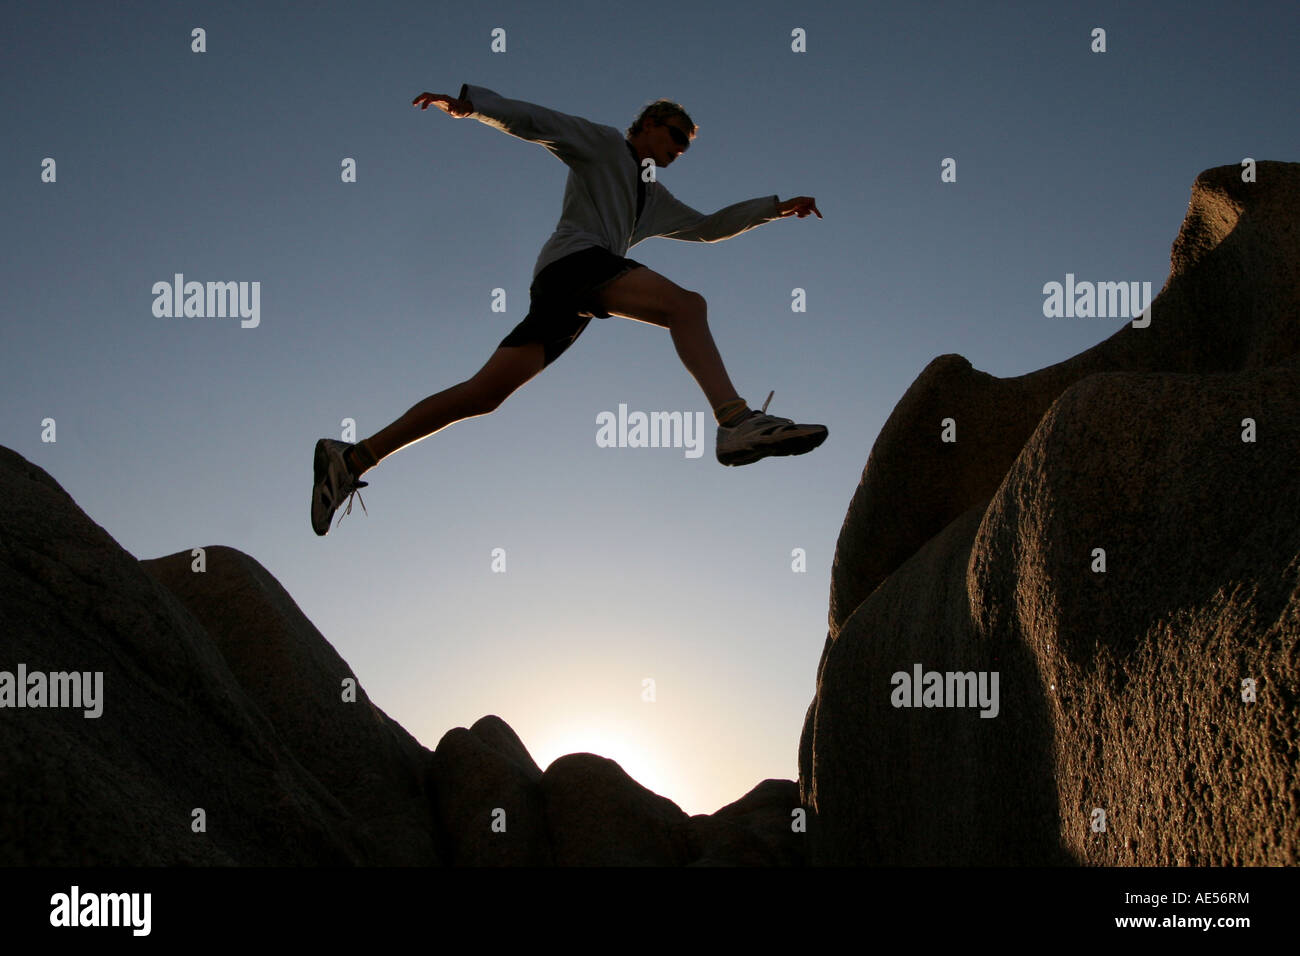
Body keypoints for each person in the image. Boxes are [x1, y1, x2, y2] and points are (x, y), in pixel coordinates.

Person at [312, 84, 827, 536]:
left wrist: (774, 210)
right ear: (648, 124)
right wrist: (474, 106)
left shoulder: (653, 196)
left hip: (570, 293)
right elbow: (541, 123)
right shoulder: (604, 145)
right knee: (686, 305)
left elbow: (707, 227)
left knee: (484, 394)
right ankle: (734, 420)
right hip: (576, 265)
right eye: (673, 137)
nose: (676, 151)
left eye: (684, 147)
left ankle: (353, 456)